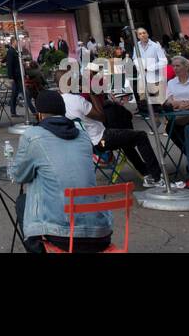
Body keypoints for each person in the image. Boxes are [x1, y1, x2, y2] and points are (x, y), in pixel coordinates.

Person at [10, 90, 113, 253]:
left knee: (23, 201)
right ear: (64, 111)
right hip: (101, 233)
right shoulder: (84, 136)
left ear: (40, 115)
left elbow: (18, 175)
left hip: (64, 236)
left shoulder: (33, 136)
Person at [62, 89, 162, 187]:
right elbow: (101, 116)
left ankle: (146, 173)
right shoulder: (77, 100)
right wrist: (93, 95)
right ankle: (157, 177)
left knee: (125, 140)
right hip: (101, 141)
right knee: (141, 136)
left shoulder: (59, 102)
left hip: (87, 144)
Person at [131, 27, 168, 108]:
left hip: (155, 78)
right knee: (144, 103)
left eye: (144, 33)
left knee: (159, 103)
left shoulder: (155, 46)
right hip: (142, 78)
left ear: (147, 34)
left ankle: (162, 120)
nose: (142, 35)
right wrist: (139, 66)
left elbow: (164, 61)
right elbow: (134, 59)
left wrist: (149, 68)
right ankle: (151, 118)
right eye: (140, 34)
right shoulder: (136, 46)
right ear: (138, 36)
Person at [5, 41, 25, 117]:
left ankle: (13, 111)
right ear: (14, 42)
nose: (18, 43)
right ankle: (33, 111)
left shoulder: (14, 51)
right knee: (23, 93)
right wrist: (10, 77)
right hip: (16, 76)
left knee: (15, 94)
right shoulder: (11, 51)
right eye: (17, 42)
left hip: (17, 76)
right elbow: (9, 65)